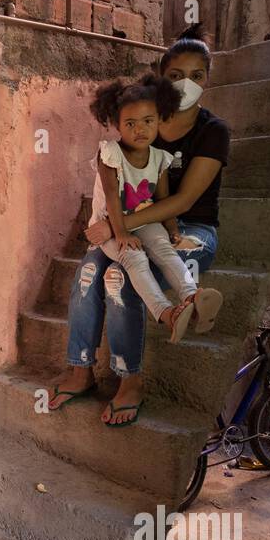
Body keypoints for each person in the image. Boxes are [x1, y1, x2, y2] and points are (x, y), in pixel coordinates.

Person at [49, 25, 230, 426]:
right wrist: (114, 226)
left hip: (190, 231)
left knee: (121, 277)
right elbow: (113, 184)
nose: (187, 85)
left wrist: (117, 226)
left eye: (197, 76)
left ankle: (130, 379)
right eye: (176, 75)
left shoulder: (212, 132)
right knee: (90, 270)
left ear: (208, 80)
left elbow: (180, 202)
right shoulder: (139, 126)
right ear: (161, 82)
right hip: (131, 225)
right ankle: (80, 369)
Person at [88, 74, 214, 359]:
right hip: (109, 225)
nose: (140, 129)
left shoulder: (159, 158)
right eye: (130, 123)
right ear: (117, 125)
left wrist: (172, 230)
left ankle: (192, 296)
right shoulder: (110, 155)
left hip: (144, 219)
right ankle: (166, 313)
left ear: (160, 119)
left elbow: (163, 199)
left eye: (148, 121)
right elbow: (111, 199)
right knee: (134, 258)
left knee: (165, 250)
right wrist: (121, 234)